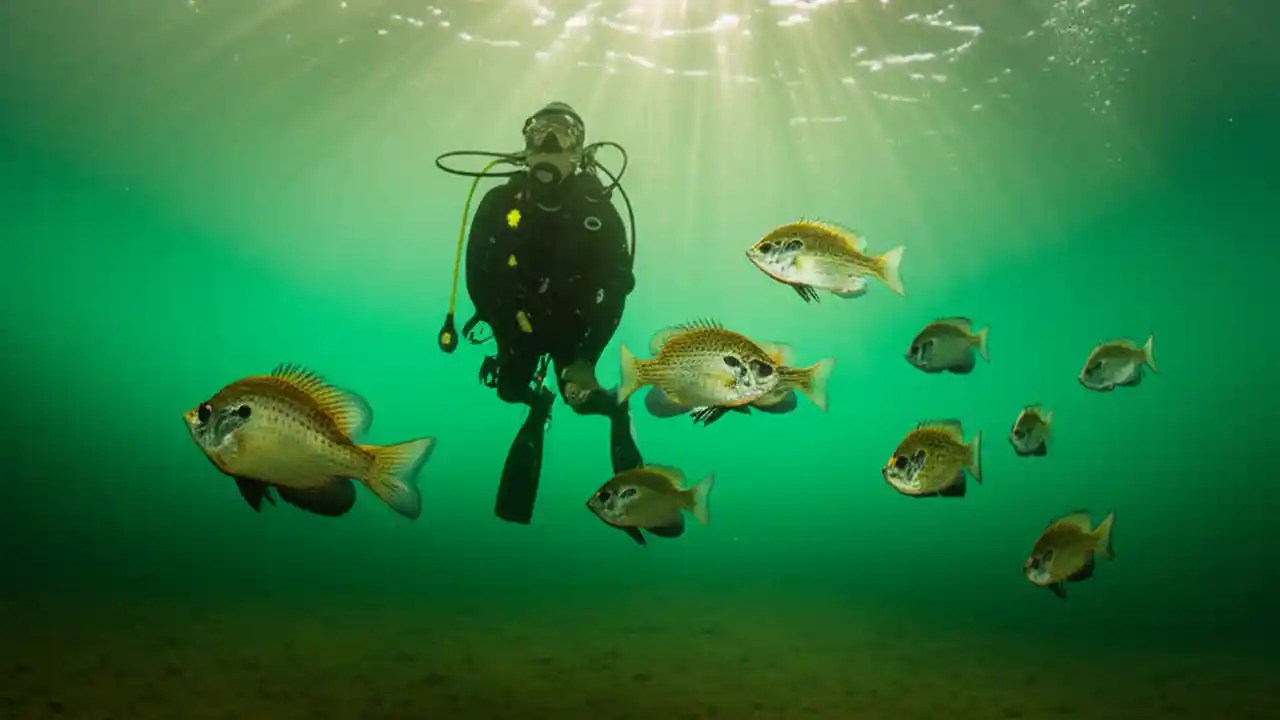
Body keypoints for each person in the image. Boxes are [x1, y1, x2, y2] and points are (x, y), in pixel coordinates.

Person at [461, 101, 643, 524]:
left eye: (562, 135)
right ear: (525, 145)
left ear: (579, 152)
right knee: (509, 390)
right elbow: (476, 273)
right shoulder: (499, 202)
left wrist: (586, 357)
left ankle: (617, 408)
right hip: (514, 321)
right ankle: (538, 405)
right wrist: (505, 328)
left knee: (579, 399)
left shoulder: (598, 210)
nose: (548, 143)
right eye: (538, 133)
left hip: (571, 329)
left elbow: (617, 287)